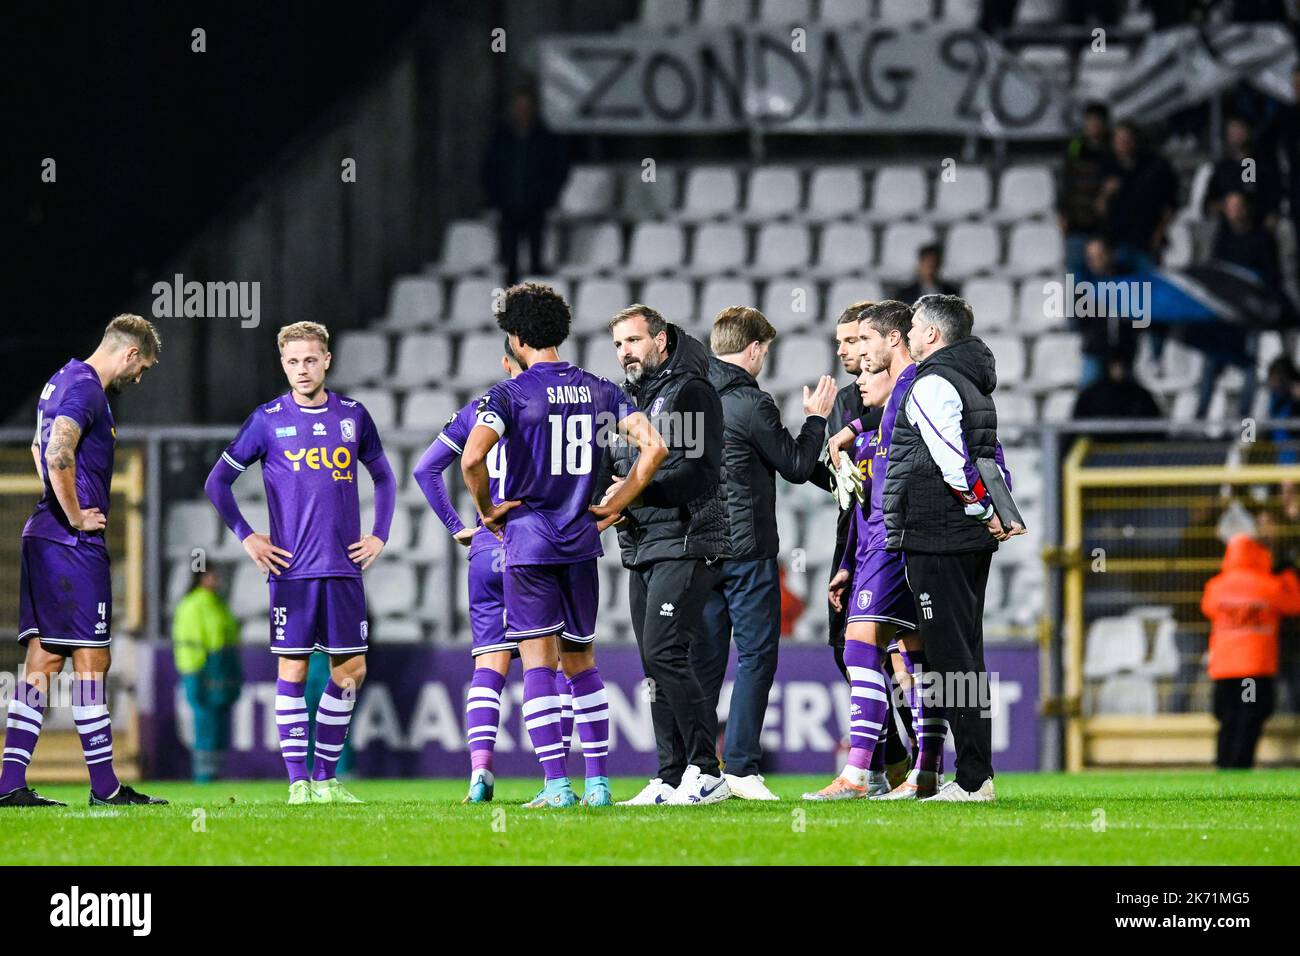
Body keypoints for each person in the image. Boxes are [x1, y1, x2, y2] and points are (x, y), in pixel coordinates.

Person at [460, 283, 668, 809]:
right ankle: (599, 785)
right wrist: (619, 499)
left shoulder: (509, 394)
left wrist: (486, 511)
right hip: (580, 544)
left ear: (515, 337)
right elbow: (655, 447)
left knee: (538, 665)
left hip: (529, 546)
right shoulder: (600, 389)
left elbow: (471, 459)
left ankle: (557, 786)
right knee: (581, 663)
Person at [204, 321, 396, 805]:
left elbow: (384, 478)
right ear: (283, 365)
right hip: (291, 571)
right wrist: (248, 537)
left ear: (327, 360)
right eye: (292, 361)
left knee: (351, 670)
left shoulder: (353, 415)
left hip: (343, 568)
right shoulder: (266, 420)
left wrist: (380, 534)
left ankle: (326, 780)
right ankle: (297, 783)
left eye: (310, 359)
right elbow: (216, 483)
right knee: (291, 671)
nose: (302, 369)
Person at [1, 314, 167, 808]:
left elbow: (37, 446)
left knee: (44, 660)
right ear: (131, 354)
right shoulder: (88, 389)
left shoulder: (61, 378)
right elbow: (57, 452)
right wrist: (75, 515)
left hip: (43, 535)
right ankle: (105, 788)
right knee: (92, 659)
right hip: (70, 545)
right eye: (143, 368)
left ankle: (10, 784)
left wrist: (57, 504)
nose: (139, 378)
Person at [882, 294, 1022, 802]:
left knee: (950, 656)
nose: (908, 334)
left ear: (933, 335)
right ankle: (975, 773)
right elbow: (990, 455)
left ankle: (973, 778)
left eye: (914, 326)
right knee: (965, 651)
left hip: (939, 531)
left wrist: (985, 510)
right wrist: (998, 512)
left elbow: (952, 460)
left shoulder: (932, 382)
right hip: (965, 535)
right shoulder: (973, 381)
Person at [695, 306, 838, 801]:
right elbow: (795, 465)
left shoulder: (690, 397)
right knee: (756, 655)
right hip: (748, 551)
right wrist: (816, 420)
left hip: (699, 551)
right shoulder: (752, 403)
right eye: (766, 349)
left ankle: (696, 767)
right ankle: (739, 766)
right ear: (754, 349)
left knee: (704, 661)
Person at [597, 305, 731, 806]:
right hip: (641, 545)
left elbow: (699, 472)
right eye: (617, 344)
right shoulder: (624, 402)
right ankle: (671, 776)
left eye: (633, 340)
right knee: (654, 664)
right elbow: (610, 469)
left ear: (661, 341)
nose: (625, 352)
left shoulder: (690, 392)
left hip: (687, 538)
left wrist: (632, 494)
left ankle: (707, 771)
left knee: (664, 652)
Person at [819, 300, 940, 800]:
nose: (860, 362)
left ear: (893, 341)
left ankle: (859, 773)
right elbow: (859, 511)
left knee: (860, 645)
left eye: (865, 341)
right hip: (883, 547)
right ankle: (924, 772)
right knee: (911, 659)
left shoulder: (916, 389)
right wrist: (847, 563)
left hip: (896, 543)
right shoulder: (877, 427)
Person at [413, 340, 532, 803]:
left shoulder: (479, 410)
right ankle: (560, 780)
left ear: (506, 362)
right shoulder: (556, 407)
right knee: (556, 663)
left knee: (489, 666)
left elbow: (426, 470)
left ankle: (480, 770)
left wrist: (457, 526)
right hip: (538, 546)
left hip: (486, 548)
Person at [1201, 533, 1300, 768]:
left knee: (1228, 715)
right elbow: (1294, 604)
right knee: (1250, 714)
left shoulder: (1217, 585)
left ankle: (1223, 762)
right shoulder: (1269, 585)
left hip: (1224, 668)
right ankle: (1240, 763)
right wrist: (1288, 575)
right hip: (1252, 669)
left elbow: (1207, 608)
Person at [825, 303, 882, 679]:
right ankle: (884, 723)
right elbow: (835, 476)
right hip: (852, 532)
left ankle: (913, 721)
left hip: (888, 535)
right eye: (839, 342)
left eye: (852, 340)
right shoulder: (845, 400)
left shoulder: (906, 393)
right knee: (844, 650)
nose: (842, 350)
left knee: (900, 653)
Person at [481, 86, 571, 285]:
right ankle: (511, 298)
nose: (522, 112)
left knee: (536, 260)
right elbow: (489, 170)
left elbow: (559, 170)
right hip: (508, 206)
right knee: (509, 261)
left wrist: (547, 195)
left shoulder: (546, 139)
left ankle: (535, 298)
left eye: (526, 107)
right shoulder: (501, 139)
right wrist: (494, 197)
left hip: (535, 206)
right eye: (519, 107)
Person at [172, 567, 242, 783]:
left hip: (219, 665)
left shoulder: (219, 604)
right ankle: (204, 775)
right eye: (211, 575)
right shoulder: (193, 604)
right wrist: (198, 669)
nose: (216, 579)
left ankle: (214, 774)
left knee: (219, 722)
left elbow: (230, 635)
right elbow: (193, 642)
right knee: (205, 721)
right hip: (202, 668)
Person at [1099, 122, 1179, 273]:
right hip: (1117, 241)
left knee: (1147, 285)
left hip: (1146, 241)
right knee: (1120, 285)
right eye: (1118, 140)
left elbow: (1171, 205)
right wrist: (1105, 193)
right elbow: (1100, 209)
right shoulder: (1108, 167)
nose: (1122, 145)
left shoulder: (1156, 167)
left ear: (1135, 140)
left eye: (1126, 140)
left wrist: (1159, 233)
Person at [1058, 101, 1115, 275]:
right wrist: (1062, 212)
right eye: (1089, 120)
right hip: (1077, 224)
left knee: (1104, 277)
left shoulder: (1112, 148)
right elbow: (1066, 181)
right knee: (1076, 274)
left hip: (1104, 226)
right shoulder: (1075, 146)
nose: (1092, 125)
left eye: (1097, 121)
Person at [1075, 236, 1140, 388]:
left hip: (1121, 355)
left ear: (1110, 255)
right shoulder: (1084, 288)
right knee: (1087, 393)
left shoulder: (1126, 284)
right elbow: (1085, 326)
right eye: (1090, 258)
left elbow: (1128, 327)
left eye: (1099, 256)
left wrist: (1119, 358)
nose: (1095, 262)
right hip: (1095, 353)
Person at [1203, 116, 1282, 230]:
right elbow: (1208, 202)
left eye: (1239, 130)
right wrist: (1224, 206)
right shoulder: (1223, 167)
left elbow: (1270, 195)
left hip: (1257, 226)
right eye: (1232, 131)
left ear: (1248, 131)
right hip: (1228, 228)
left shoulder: (1259, 163)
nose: (1236, 135)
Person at [1071, 354, 1163, 443]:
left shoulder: (1140, 395)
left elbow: (1157, 427)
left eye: (1121, 366)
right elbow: (1074, 428)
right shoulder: (1090, 395)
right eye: (1114, 367)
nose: (1118, 371)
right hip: (1097, 448)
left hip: (1134, 449)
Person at [894, 244, 959, 305]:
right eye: (927, 263)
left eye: (934, 262)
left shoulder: (951, 292)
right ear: (920, 264)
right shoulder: (905, 294)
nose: (930, 267)